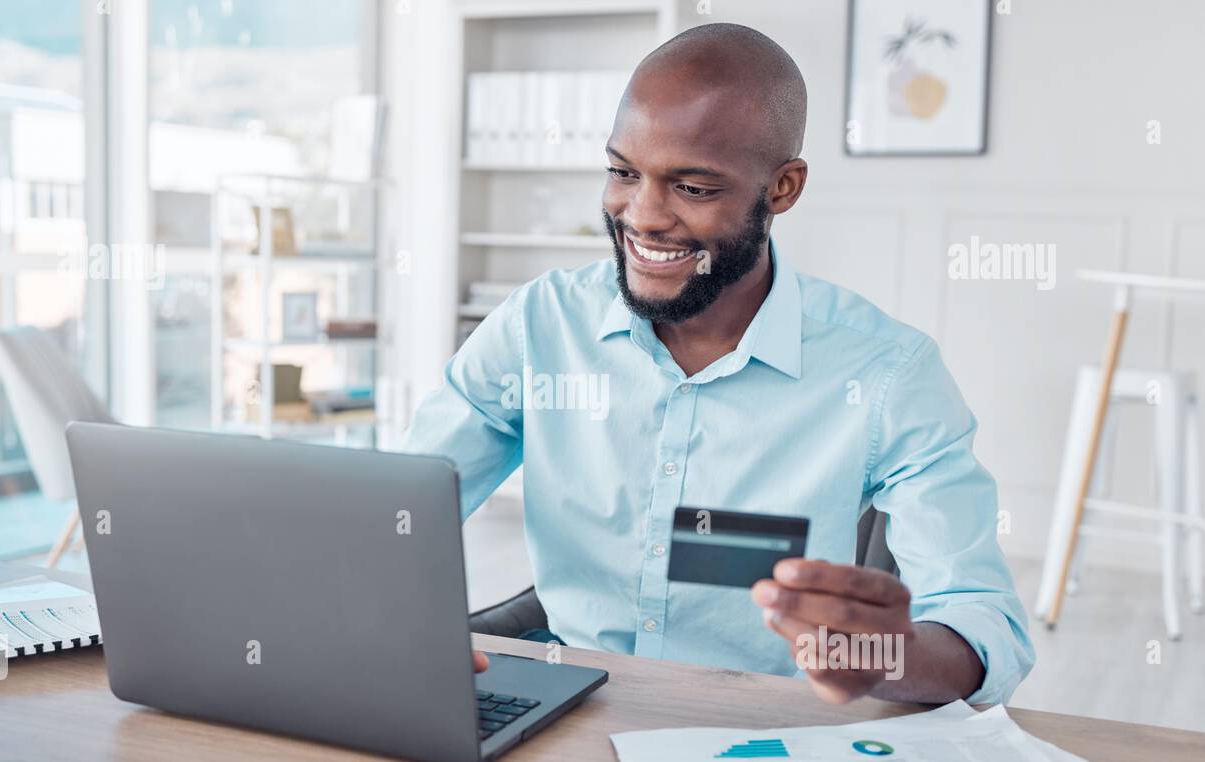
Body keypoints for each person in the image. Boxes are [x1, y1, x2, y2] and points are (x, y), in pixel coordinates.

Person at [406, 23, 1033, 705]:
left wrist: (884, 656)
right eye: (623, 172)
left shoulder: (887, 372)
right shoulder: (539, 326)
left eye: (693, 188)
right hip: (567, 709)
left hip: (764, 733)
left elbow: (987, 627)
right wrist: (388, 625)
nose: (642, 216)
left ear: (783, 188)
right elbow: (400, 511)